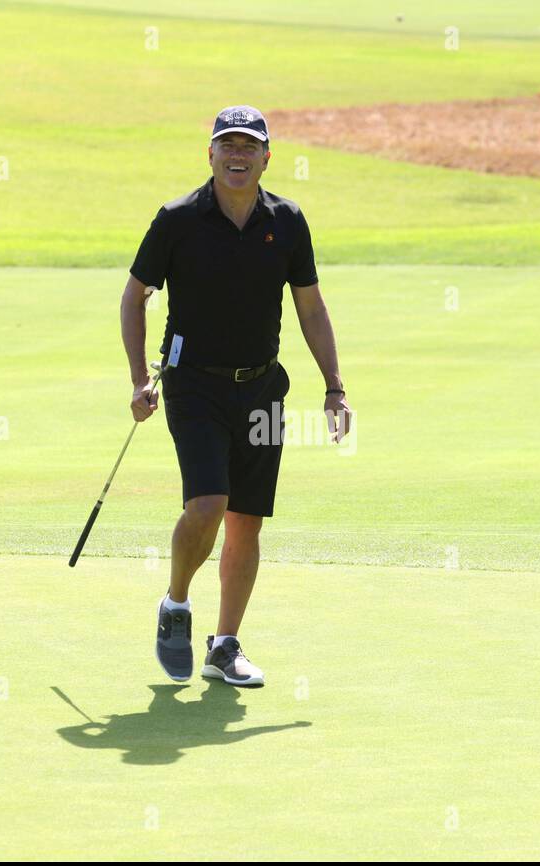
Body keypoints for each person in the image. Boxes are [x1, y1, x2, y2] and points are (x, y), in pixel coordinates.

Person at [120, 105, 351, 687]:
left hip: (264, 386)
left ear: (267, 157)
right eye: (228, 145)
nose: (238, 155)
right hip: (194, 383)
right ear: (211, 155)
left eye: (249, 146)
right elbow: (135, 296)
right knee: (209, 504)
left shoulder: (288, 221)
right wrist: (137, 379)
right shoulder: (177, 220)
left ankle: (224, 647)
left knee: (247, 521)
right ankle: (175, 604)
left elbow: (310, 307)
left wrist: (334, 387)